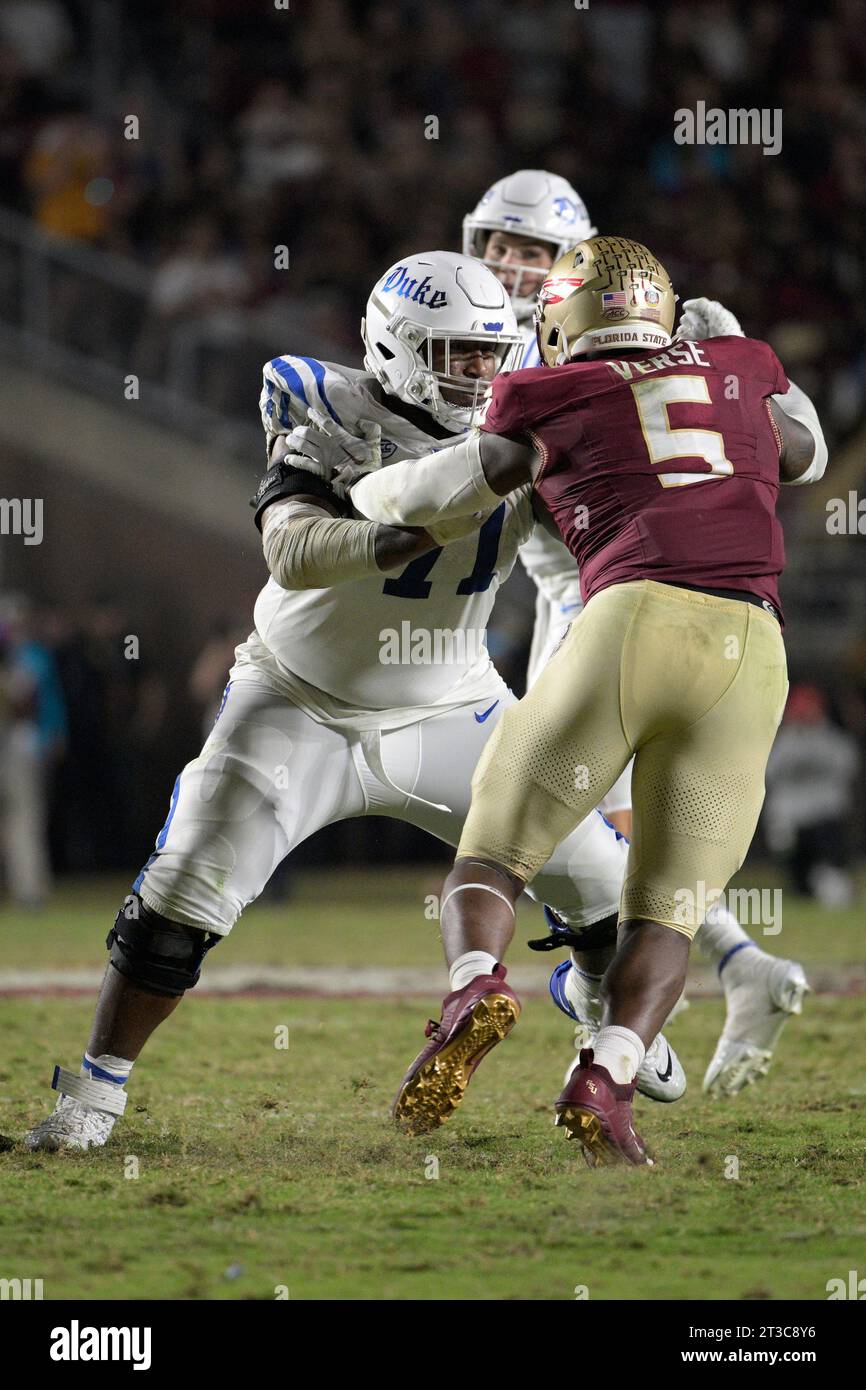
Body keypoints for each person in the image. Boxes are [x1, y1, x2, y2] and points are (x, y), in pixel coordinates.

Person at [27, 248, 684, 1152]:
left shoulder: (529, 412)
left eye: (491, 354)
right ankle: (94, 1097)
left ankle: (595, 1031)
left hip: (455, 706)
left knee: (607, 888)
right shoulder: (331, 410)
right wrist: (402, 528)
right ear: (399, 347)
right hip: (300, 702)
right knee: (182, 895)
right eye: (457, 354)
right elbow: (290, 550)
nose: (481, 374)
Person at [344, 234, 828, 1163]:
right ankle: (605, 1073)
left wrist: (356, 490)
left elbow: (440, 492)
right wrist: (760, 369)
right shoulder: (742, 368)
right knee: (669, 909)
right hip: (755, 647)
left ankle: (477, 983)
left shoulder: (545, 391)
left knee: (494, 851)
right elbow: (803, 452)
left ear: (561, 322)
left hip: (631, 620)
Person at [464, 171, 809, 1097]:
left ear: (575, 268)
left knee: (550, 823)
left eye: (531, 252)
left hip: (609, 595)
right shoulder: (509, 341)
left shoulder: (554, 363)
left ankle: (623, 1004)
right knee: (617, 824)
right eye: (495, 244)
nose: (507, 265)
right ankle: (706, 985)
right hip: (639, 600)